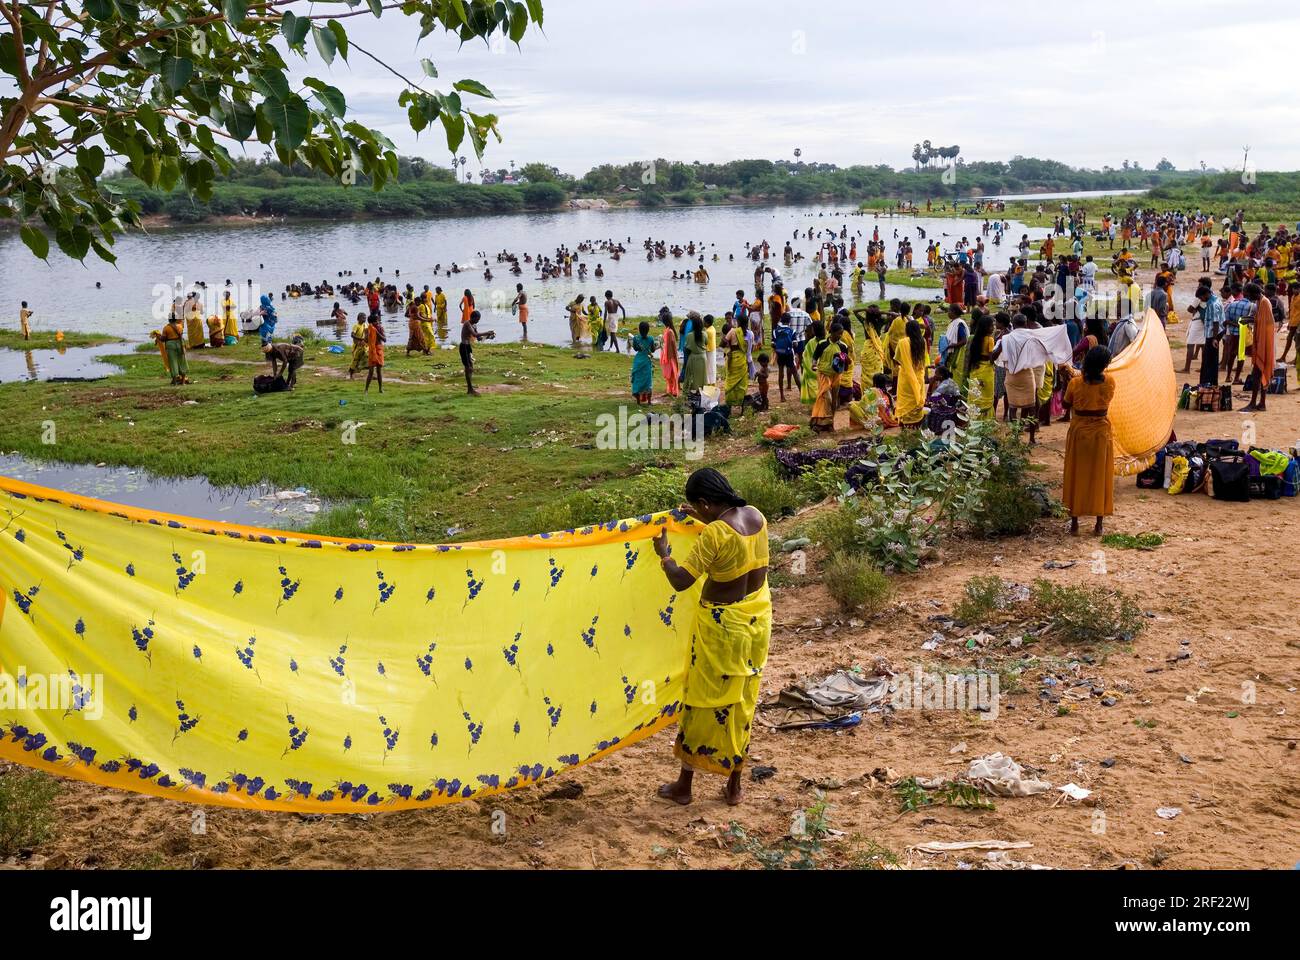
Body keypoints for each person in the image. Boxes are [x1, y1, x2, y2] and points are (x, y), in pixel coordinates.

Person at [652, 468, 771, 807]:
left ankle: (685, 786)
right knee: (741, 702)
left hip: (720, 630)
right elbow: (735, 546)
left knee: (701, 702)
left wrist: (664, 554)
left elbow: (681, 581)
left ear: (704, 503)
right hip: (755, 621)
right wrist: (706, 521)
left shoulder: (713, 535)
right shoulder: (757, 516)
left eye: (697, 506)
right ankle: (734, 787)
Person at [1062, 346, 1116, 536]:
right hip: (1101, 433)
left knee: (1076, 474)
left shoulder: (1075, 383)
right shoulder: (1109, 381)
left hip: (1079, 432)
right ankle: (1098, 524)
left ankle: (1075, 522)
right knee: (1100, 475)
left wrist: (1065, 381)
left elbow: (1065, 404)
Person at [1243, 282, 1276, 412]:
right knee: (1257, 373)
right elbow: (1260, 319)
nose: (1247, 297)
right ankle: (1259, 403)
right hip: (1261, 340)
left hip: (1265, 341)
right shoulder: (1259, 302)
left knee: (1258, 372)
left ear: (1253, 293)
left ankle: (1256, 403)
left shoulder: (1264, 302)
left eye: (1248, 295)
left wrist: (1252, 320)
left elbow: (1267, 323)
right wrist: (1250, 319)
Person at [893, 319, 927, 429]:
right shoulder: (923, 341)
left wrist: (907, 364)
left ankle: (906, 428)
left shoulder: (902, 342)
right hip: (919, 377)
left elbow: (897, 360)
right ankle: (917, 426)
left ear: (907, 330)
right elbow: (923, 361)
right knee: (917, 402)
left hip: (906, 379)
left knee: (905, 403)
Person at [460, 308, 495, 396]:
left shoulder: (474, 325)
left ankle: (470, 387)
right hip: (463, 346)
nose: (478, 321)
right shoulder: (467, 324)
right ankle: (470, 389)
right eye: (477, 319)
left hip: (468, 346)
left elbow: (478, 338)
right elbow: (475, 334)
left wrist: (488, 336)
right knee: (468, 368)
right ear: (473, 317)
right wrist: (487, 332)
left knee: (471, 367)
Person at [722, 318, 748, 410]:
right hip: (742, 359)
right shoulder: (750, 333)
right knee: (742, 383)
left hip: (733, 359)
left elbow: (723, 342)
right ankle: (742, 405)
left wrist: (727, 343)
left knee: (730, 381)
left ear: (738, 322)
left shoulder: (733, 331)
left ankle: (729, 406)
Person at [161, 306, 190, 385]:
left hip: (171, 345)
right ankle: (183, 382)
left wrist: (158, 336)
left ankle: (174, 381)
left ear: (169, 319)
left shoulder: (166, 328)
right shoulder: (180, 326)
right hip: (180, 344)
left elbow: (163, 338)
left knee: (173, 362)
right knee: (182, 361)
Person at [680, 311, 707, 394]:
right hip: (702, 358)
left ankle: (689, 393)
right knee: (702, 377)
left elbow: (687, 348)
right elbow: (706, 343)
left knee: (691, 376)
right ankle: (701, 393)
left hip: (693, 357)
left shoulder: (689, 336)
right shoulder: (704, 334)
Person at [630, 321, 656, 404]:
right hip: (646, 361)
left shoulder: (636, 338)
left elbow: (635, 349)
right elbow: (653, 350)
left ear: (639, 330)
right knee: (648, 381)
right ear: (648, 330)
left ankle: (638, 401)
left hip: (638, 360)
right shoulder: (651, 338)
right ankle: (649, 402)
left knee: (637, 380)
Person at [659, 310, 680, 398]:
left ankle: (674, 391)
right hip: (666, 356)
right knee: (668, 375)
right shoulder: (667, 330)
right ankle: (669, 390)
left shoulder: (670, 332)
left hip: (670, 357)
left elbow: (672, 347)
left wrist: (672, 358)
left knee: (672, 375)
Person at [364, 313, 386, 393]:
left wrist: (376, 332)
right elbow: (366, 340)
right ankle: (366, 389)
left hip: (379, 349)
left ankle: (380, 388)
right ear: (371, 323)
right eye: (376, 321)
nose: (378, 322)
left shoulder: (380, 328)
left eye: (378, 321)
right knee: (371, 371)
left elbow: (384, 339)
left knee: (379, 370)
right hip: (372, 350)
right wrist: (369, 334)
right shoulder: (367, 330)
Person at [348, 312, 369, 379]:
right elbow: (352, 335)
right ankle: (351, 374)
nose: (364, 319)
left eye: (365, 318)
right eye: (363, 318)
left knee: (367, 358)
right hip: (357, 346)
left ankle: (370, 374)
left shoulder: (365, 325)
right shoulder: (356, 326)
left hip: (364, 345)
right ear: (358, 318)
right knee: (355, 361)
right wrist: (360, 339)